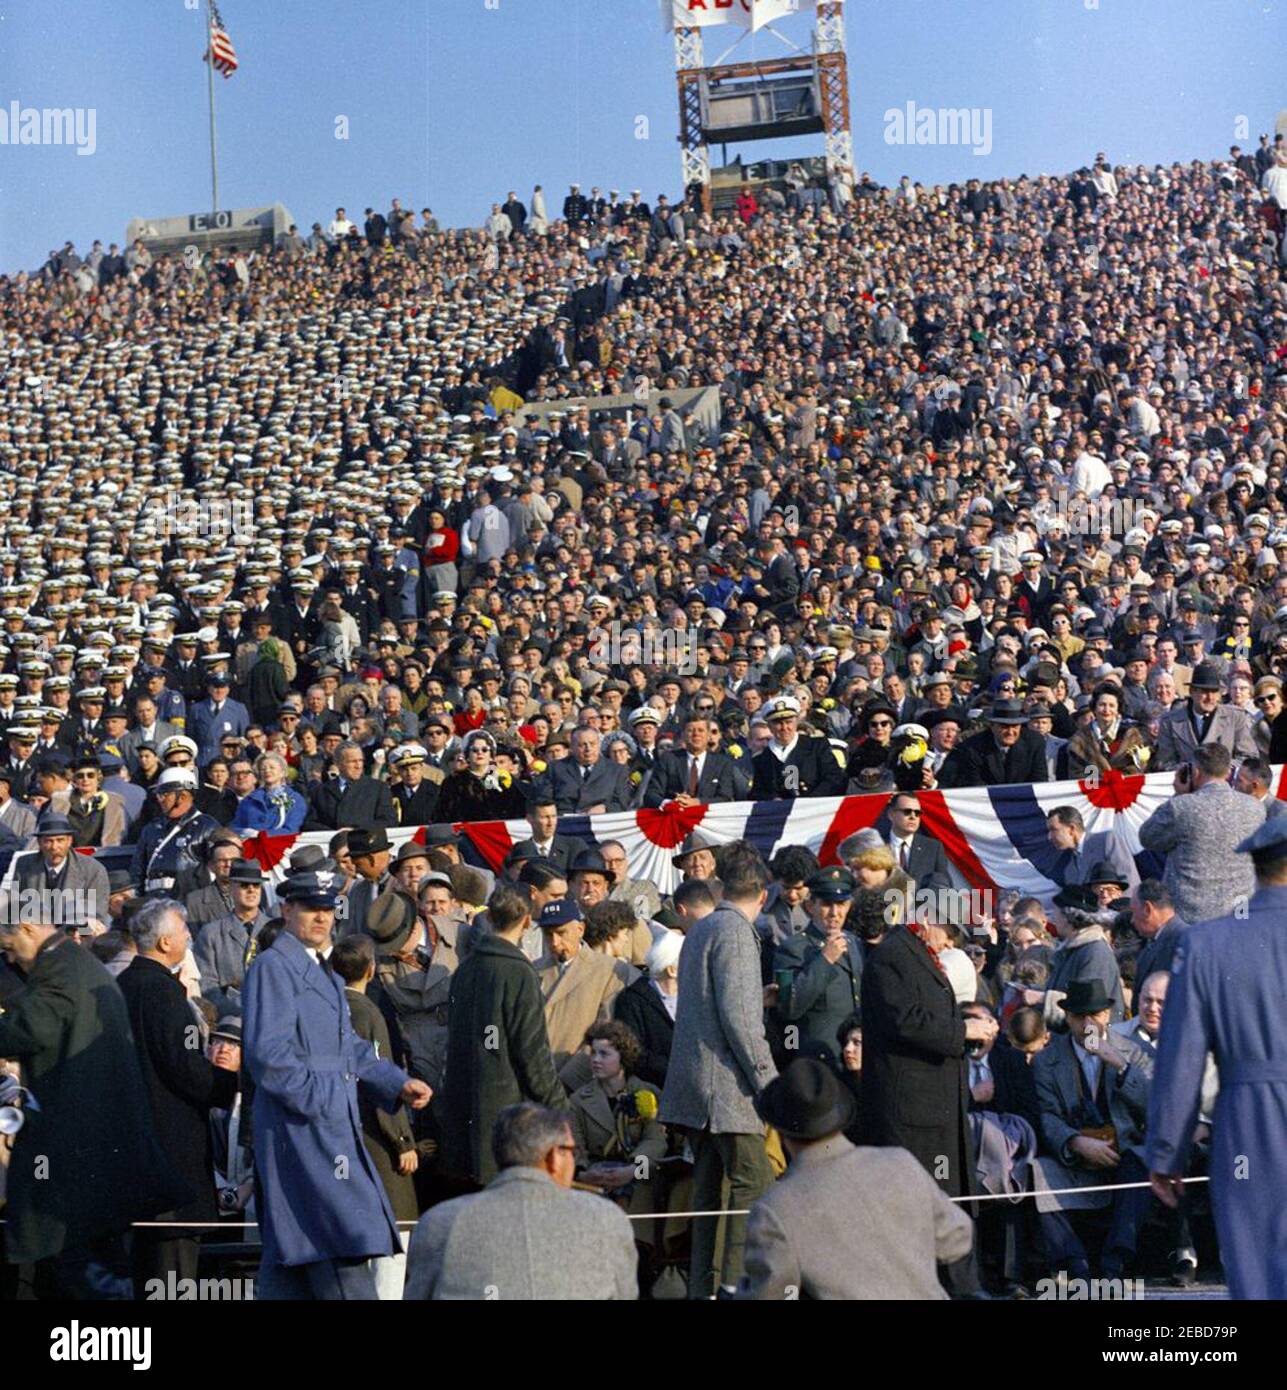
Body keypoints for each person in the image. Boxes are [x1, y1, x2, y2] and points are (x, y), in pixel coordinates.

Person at [242, 868, 431, 1299]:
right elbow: (268, 1058)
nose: (322, 917)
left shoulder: (323, 970)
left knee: (298, 1257)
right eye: (311, 908)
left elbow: (352, 1047)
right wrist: (321, 1102)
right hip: (305, 1129)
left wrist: (397, 1083)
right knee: (338, 1248)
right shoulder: (275, 966)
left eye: (327, 909)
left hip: (323, 1126)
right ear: (287, 909)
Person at [0, 894, 184, 1299]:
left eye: (9, 949)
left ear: (28, 928)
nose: (10, 961)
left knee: (88, 1275)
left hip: (81, 1162)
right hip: (90, 1160)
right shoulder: (74, 964)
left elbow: (30, 1029)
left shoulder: (61, 971)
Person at [1147, 815, 1287, 1299]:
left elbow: (1180, 1058)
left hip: (1250, 1118)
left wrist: (1167, 1150)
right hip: (1250, 1096)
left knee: (1255, 1267)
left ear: (1256, 866)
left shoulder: (1207, 943)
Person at [737, 1059, 973, 1299]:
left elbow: (770, 1293)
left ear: (778, 1129)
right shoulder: (900, 1163)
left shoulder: (776, 1206)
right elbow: (957, 1239)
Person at [659, 841, 778, 1299]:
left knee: (711, 1191)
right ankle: (733, 1287)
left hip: (695, 1085)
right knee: (754, 1184)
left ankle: (706, 1288)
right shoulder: (736, 932)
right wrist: (770, 1086)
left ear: (722, 885)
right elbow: (742, 1025)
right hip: (727, 1090)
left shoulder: (703, 928)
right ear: (762, 895)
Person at [861, 903, 997, 1295]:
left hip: (936, 1104)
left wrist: (970, 1030)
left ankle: (961, 1283)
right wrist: (963, 1029)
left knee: (946, 1197)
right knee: (916, 1203)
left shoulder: (918, 956)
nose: (950, 940)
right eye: (947, 931)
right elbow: (906, 1020)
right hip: (909, 1110)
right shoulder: (891, 958)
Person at [117, 897, 240, 1289]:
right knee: (172, 1277)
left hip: (136, 1159)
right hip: (173, 1161)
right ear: (165, 942)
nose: (189, 936)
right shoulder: (161, 991)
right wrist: (228, 1085)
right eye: (183, 930)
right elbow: (184, 1066)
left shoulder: (122, 986)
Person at [404, 1102, 637, 1300]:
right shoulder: (606, 1219)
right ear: (554, 1157)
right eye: (571, 1152)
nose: (574, 1162)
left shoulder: (439, 1223)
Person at [439, 883, 566, 1186]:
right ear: (526, 922)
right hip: (509, 1127)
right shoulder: (518, 972)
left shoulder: (464, 970)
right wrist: (562, 1111)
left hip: (462, 1123)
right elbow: (532, 1056)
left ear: (491, 918)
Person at [1032, 979, 1156, 1279]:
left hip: (1123, 1148)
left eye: (1096, 1015)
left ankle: (1115, 1262)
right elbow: (1047, 1116)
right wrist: (1074, 1142)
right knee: (1037, 1170)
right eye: (1079, 1016)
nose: (1088, 1023)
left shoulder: (1134, 1051)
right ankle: (1075, 1262)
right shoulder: (1048, 1059)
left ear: (1108, 1015)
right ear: (1068, 1018)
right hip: (1077, 1150)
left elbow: (1154, 1106)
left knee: (1140, 1163)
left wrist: (1121, 1067)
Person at [331, 933, 419, 1300]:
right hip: (377, 1142)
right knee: (392, 1247)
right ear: (370, 969)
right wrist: (402, 1140)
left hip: (342, 1140)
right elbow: (381, 1078)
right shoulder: (368, 1013)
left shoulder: (329, 1010)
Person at [1138, 743, 1265, 923]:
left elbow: (1148, 837)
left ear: (1195, 772)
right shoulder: (1255, 808)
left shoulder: (1181, 807)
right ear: (1229, 772)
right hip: (1241, 914)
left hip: (1193, 918)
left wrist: (1178, 795)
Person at [773, 865, 865, 1063]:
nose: (834, 913)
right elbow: (788, 1009)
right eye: (827, 904)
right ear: (810, 906)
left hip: (853, 1060)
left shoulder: (855, 943)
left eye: (841, 904)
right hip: (819, 1061)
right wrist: (824, 960)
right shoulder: (793, 948)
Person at [534, 896, 624, 1086]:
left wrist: (567, 1081)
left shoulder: (609, 971)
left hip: (577, 1085)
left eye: (561, 933)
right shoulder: (532, 970)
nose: (554, 942)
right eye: (548, 934)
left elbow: (604, 1032)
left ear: (580, 930)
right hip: (533, 1080)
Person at [192, 858, 271, 1015]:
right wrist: (234, 1013)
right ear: (231, 887)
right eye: (244, 885)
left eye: (256, 885)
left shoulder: (277, 929)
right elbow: (207, 985)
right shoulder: (211, 933)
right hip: (229, 1021)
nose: (251, 890)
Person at [1153, 660, 1258, 770]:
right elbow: (1165, 762)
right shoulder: (1169, 721)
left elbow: (1249, 757)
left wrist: (1219, 770)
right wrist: (1189, 771)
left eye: (1214, 692)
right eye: (1204, 691)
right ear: (1192, 691)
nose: (1210, 697)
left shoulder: (1235, 717)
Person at [612, 928, 683, 1087]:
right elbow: (633, 1052)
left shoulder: (694, 997)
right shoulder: (631, 1001)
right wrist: (674, 1070)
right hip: (652, 1090)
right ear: (672, 971)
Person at [938, 698, 1049, 787]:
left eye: (1015, 726)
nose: (1010, 732)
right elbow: (974, 785)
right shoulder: (973, 748)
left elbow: (1040, 780)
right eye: (1004, 726)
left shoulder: (1034, 743)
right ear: (992, 726)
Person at [1130, 879, 1189, 983]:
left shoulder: (1184, 942)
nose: (1132, 920)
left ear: (1147, 909)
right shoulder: (1155, 940)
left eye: (1134, 912)